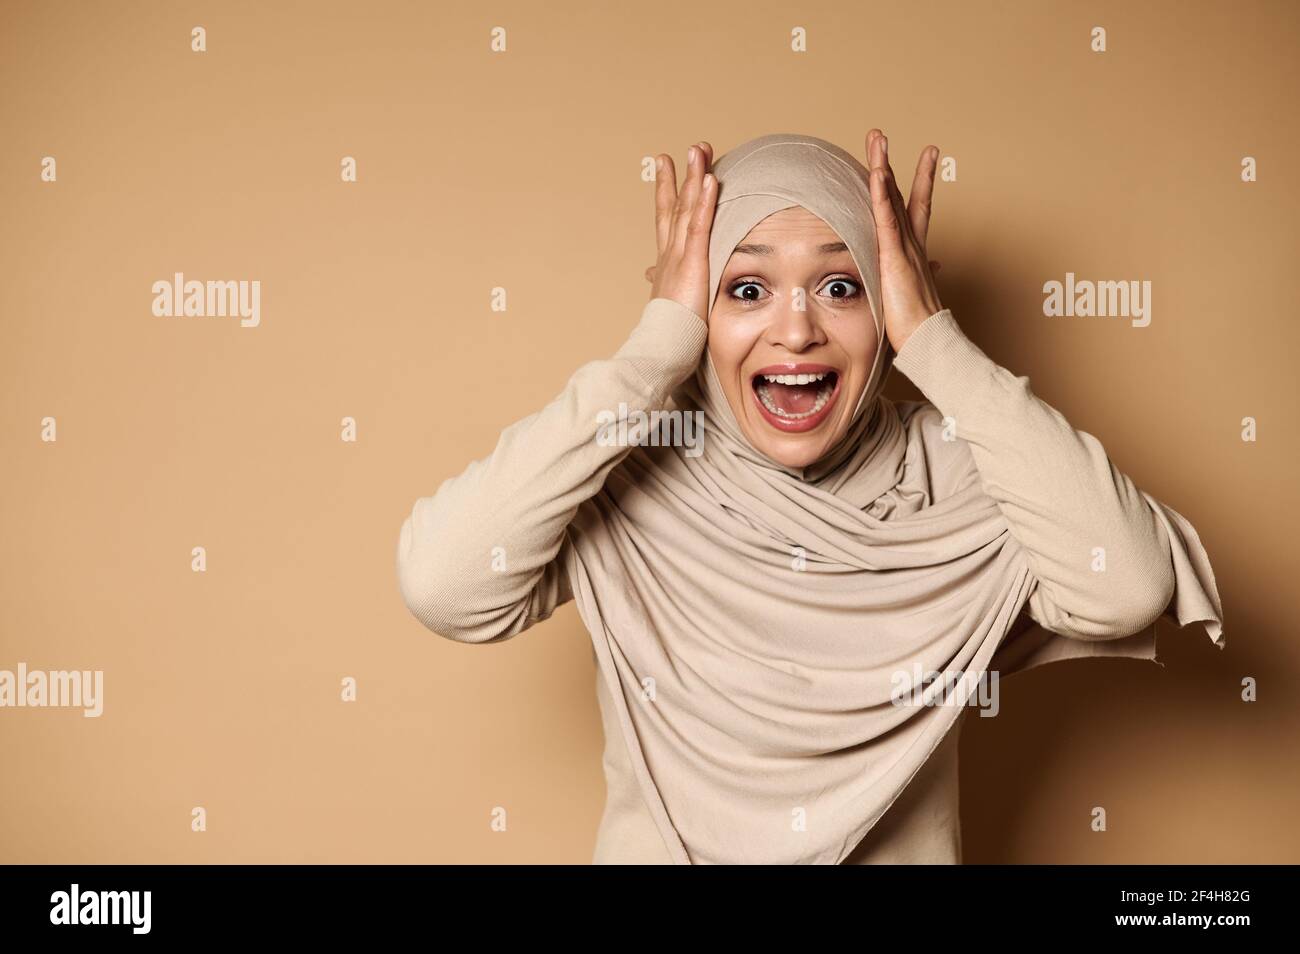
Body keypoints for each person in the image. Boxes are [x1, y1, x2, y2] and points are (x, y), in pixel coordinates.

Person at [396, 130, 1224, 864]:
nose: (796, 331)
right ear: (696, 314)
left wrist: (937, 346)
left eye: (842, 286)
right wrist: (653, 351)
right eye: (745, 290)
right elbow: (446, 585)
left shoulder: (965, 465)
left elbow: (1126, 587)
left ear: (891, 304)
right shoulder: (629, 461)